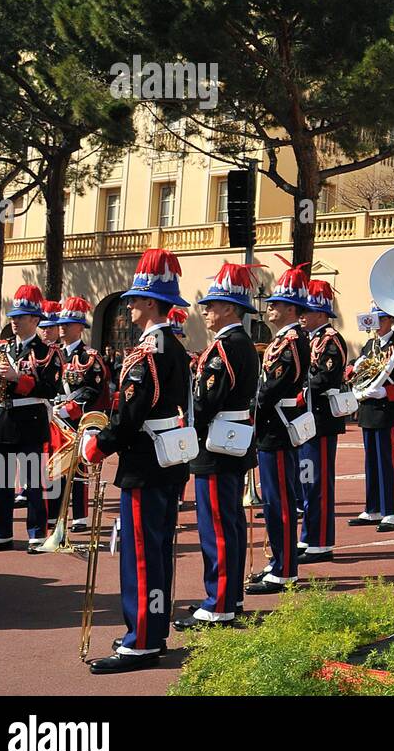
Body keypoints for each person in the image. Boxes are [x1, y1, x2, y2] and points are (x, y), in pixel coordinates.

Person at [79, 249, 192, 673]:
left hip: (145, 462)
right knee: (159, 549)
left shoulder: (147, 353)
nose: (128, 305)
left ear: (150, 304)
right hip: (167, 459)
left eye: (135, 299)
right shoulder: (175, 347)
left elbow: (129, 417)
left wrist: (97, 445)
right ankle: (153, 629)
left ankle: (141, 640)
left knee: (142, 553)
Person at [174, 262, 261, 632]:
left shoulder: (225, 347)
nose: (205, 311)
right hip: (233, 439)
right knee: (230, 522)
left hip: (217, 444)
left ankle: (219, 604)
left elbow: (206, 401)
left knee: (217, 527)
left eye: (211, 305)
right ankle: (231, 596)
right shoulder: (239, 344)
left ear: (229, 309)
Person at [0, 285, 62, 553]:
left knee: (33, 481)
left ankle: (36, 533)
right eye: (13, 316)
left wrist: (16, 378)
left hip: (30, 417)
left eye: (20, 316)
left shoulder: (47, 352)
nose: (14, 320)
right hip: (3, 416)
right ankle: (1, 532)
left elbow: (49, 389)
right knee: (1, 481)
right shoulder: (1, 349)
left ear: (35, 320)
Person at [245, 259, 311, 596]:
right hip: (272, 427)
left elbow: (273, 387)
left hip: (278, 427)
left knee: (281, 500)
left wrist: (250, 407)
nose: (269, 308)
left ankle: (285, 570)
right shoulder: (283, 339)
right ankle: (279, 561)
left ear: (289, 309)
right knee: (273, 500)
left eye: (275, 304)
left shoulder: (290, 342)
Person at [347, 302, 394, 533]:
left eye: (379, 319)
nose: (374, 323)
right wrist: (352, 368)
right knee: (371, 462)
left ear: (389, 319)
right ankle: (373, 509)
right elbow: (355, 370)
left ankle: (391, 512)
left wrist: (388, 392)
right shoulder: (370, 345)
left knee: (387, 463)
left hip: (386, 410)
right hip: (368, 409)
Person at [296, 279, 347, 565]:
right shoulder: (308, 339)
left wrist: (295, 389)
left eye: (308, 310)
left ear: (321, 313)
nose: (302, 314)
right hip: (306, 420)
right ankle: (308, 536)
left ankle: (321, 541)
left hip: (321, 420)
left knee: (319, 483)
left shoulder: (330, 340)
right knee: (307, 481)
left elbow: (323, 378)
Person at [53, 296, 109, 532]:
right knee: (57, 466)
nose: (62, 327)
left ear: (80, 328)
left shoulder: (89, 357)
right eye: (61, 323)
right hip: (55, 417)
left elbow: (92, 389)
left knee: (78, 468)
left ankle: (80, 516)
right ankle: (57, 514)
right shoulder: (54, 354)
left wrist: (69, 408)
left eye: (68, 324)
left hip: (76, 418)